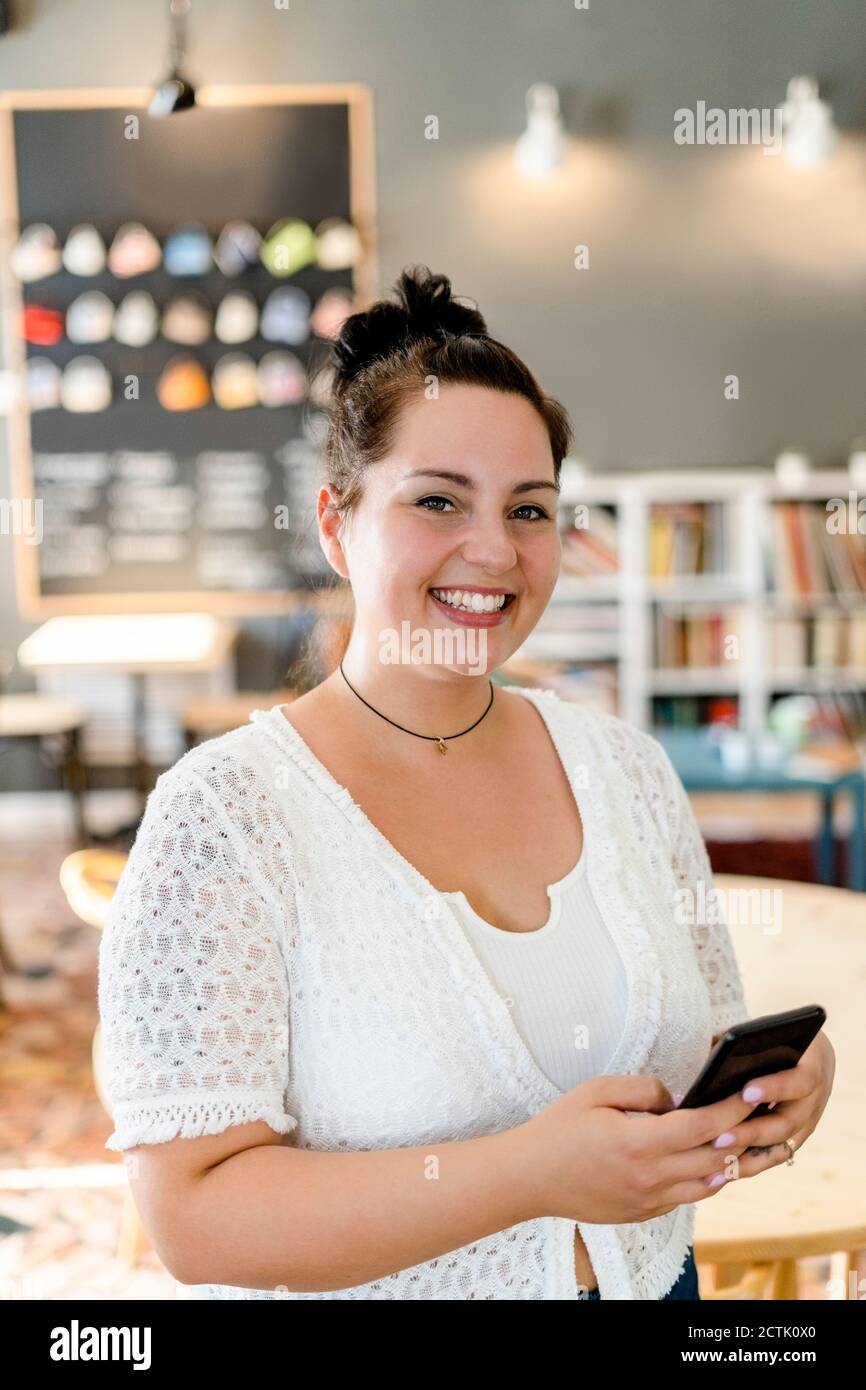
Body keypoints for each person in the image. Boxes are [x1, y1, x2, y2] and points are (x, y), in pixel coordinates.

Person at [97, 265, 836, 1300]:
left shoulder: (622, 768)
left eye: (529, 511)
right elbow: (192, 1220)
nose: (491, 550)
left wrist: (779, 1087)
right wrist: (527, 1175)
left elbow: (699, 1041)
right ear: (335, 522)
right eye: (437, 499)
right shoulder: (226, 816)